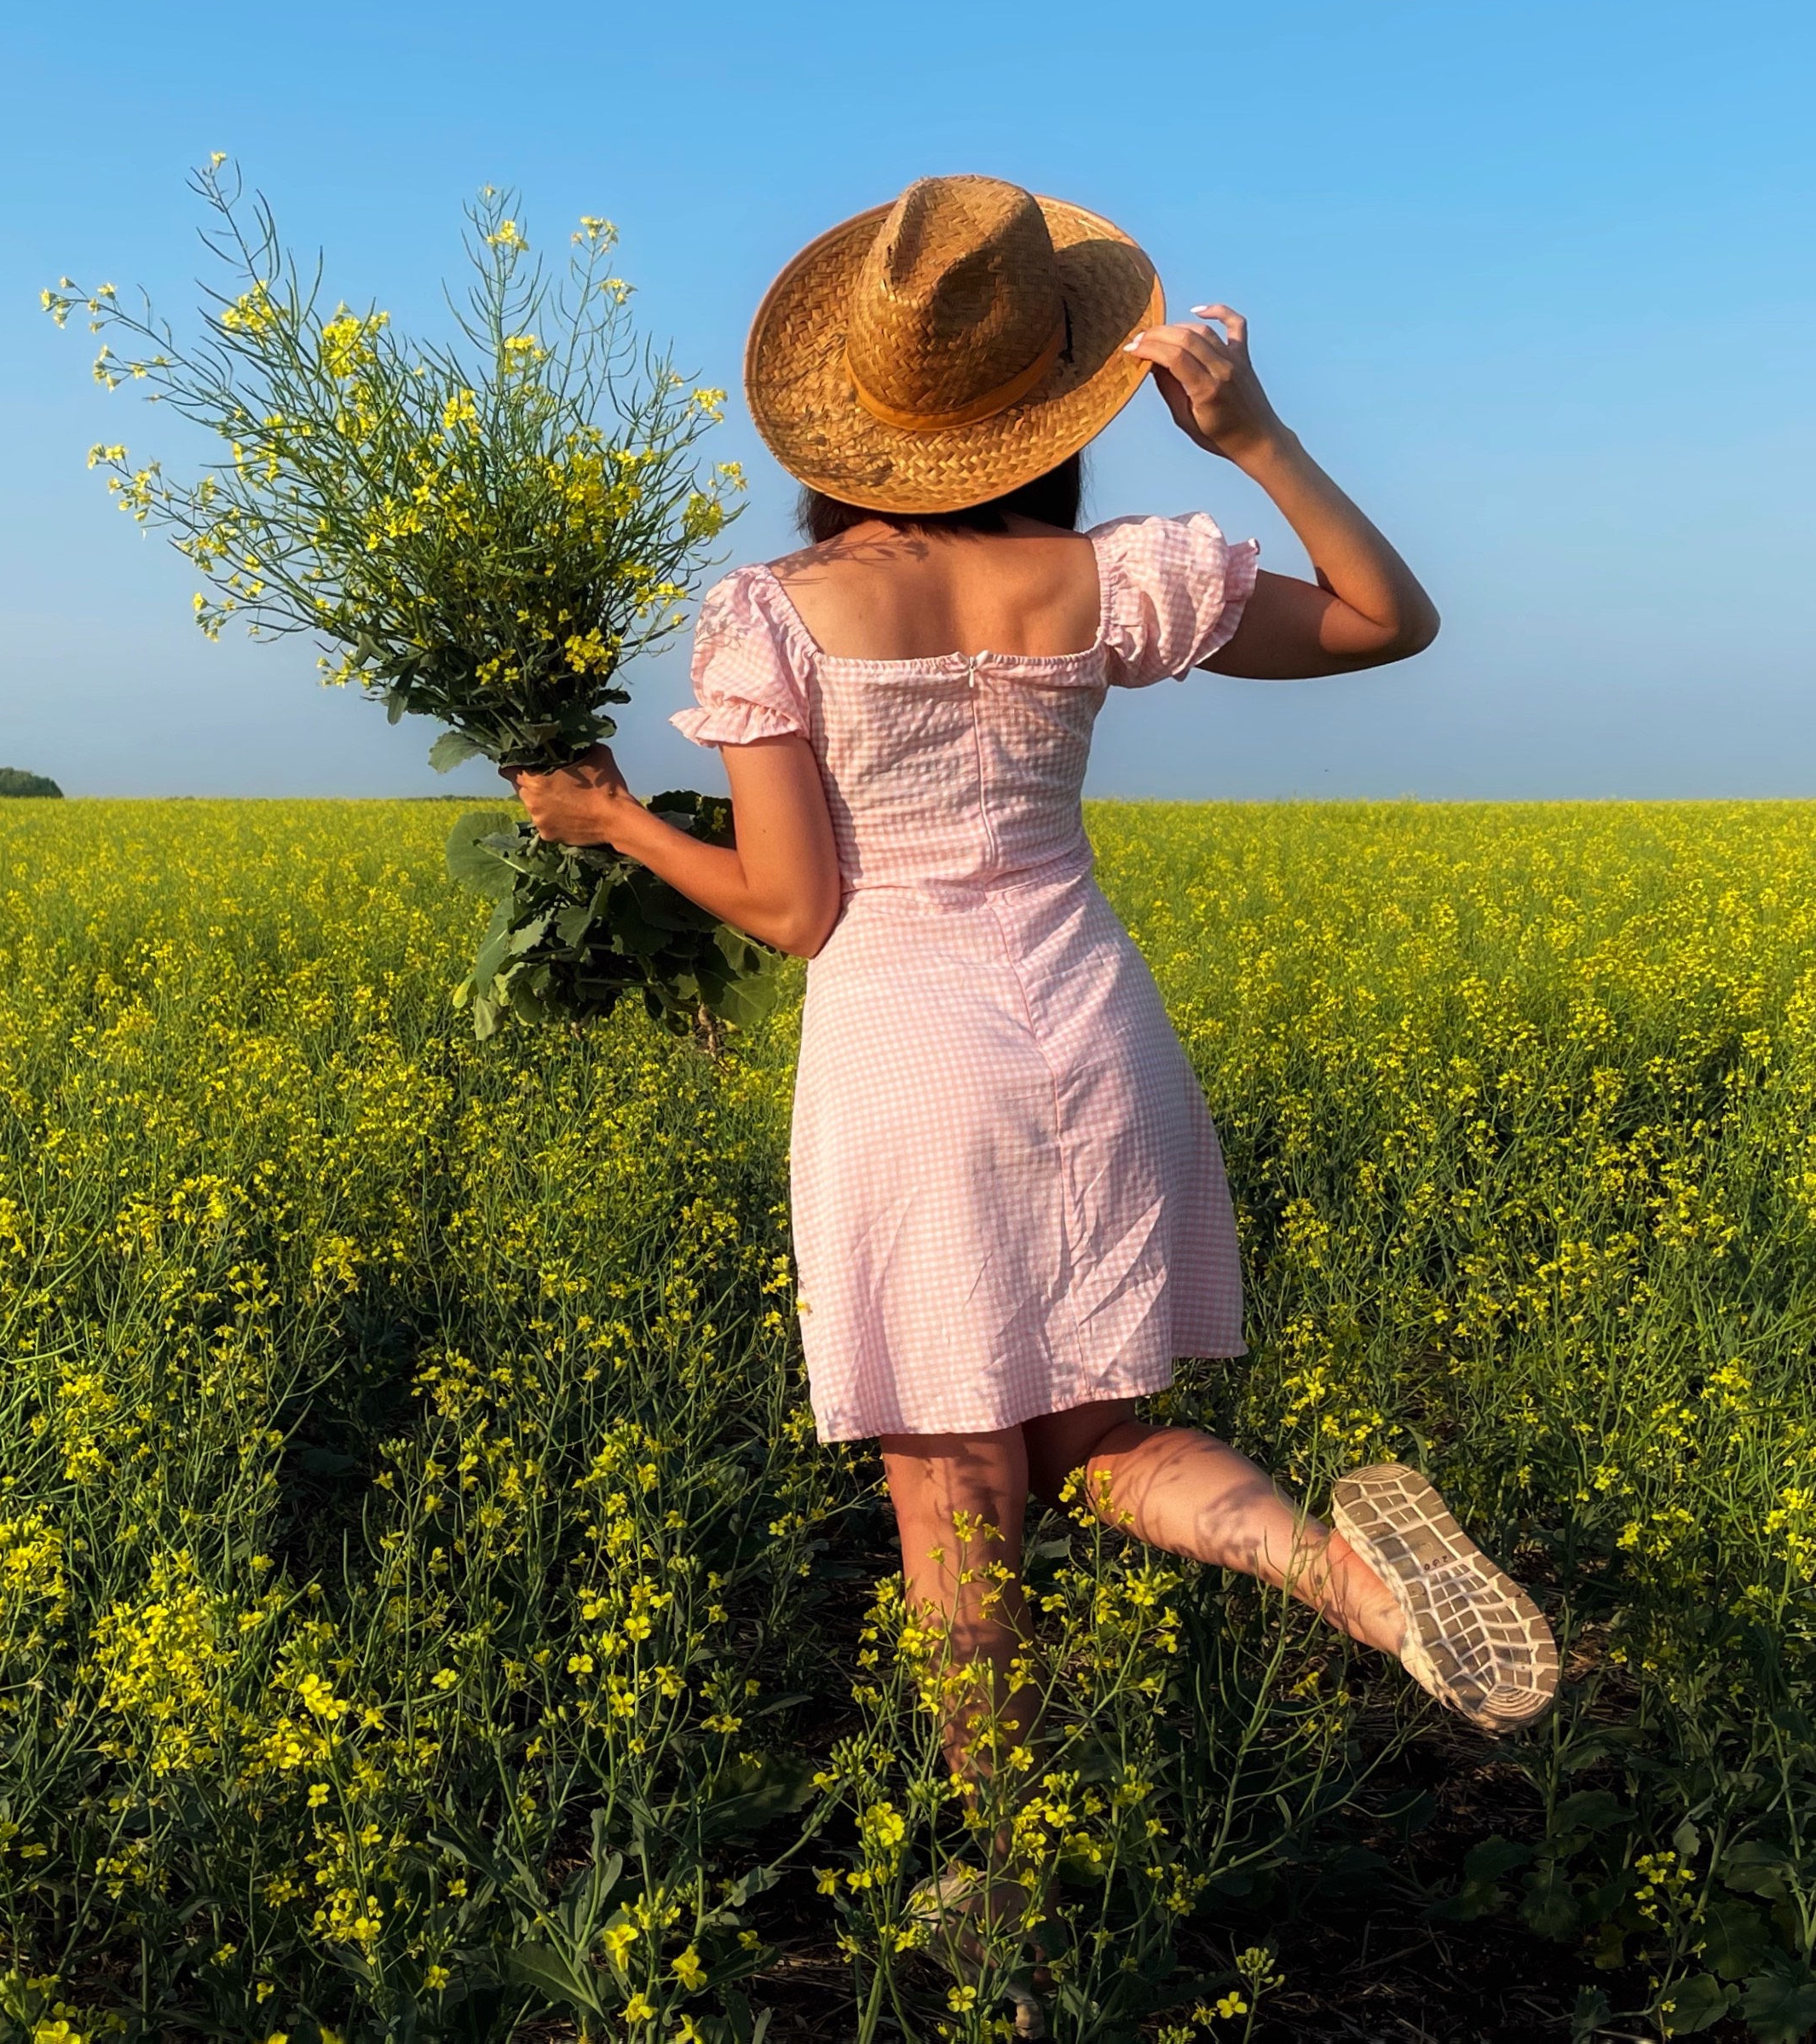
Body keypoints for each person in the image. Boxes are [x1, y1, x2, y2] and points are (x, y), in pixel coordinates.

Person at [505, 176, 1559, 1800]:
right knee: (1100, 1444)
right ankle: (1352, 1583)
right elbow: (1385, 625)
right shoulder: (1113, 577)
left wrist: (612, 819)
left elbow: (793, 910)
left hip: (911, 1062)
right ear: (1042, 410)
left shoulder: (776, 614)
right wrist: (1255, 437)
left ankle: (998, 1880)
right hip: (1094, 1031)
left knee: (955, 1498)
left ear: (850, 420)